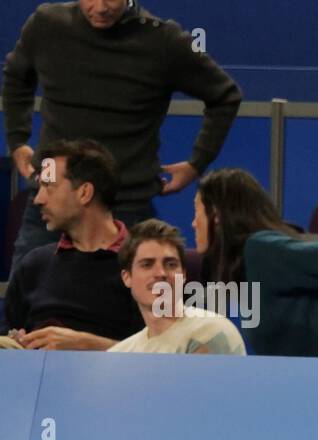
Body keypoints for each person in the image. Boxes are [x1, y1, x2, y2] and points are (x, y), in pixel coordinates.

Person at [4, 0, 242, 268]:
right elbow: (15, 78)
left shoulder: (163, 41)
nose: (101, 6)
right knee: (26, 303)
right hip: (49, 195)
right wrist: (17, 140)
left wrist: (197, 163)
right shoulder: (47, 25)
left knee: (124, 306)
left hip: (124, 204)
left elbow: (225, 96)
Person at [195, 169, 318, 358]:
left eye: (197, 212)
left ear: (217, 215)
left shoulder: (261, 250)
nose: (194, 223)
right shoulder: (243, 262)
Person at [3, 140, 140, 349]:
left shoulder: (148, 265)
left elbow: (167, 353)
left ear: (84, 193)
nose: (38, 199)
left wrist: (87, 345)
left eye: (48, 186)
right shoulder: (34, 265)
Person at [110, 219, 246, 354]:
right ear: (127, 277)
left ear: (184, 275)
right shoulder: (121, 353)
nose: (161, 273)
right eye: (147, 264)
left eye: (171, 264)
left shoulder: (210, 332)